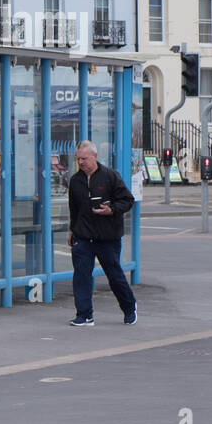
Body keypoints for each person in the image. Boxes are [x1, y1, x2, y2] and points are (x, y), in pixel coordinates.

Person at [67, 140, 137, 327]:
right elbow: (73, 208)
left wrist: (111, 209)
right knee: (81, 275)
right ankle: (84, 314)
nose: (81, 162)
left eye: (84, 158)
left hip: (107, 236)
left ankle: (129, 307)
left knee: (114, 275)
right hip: (83, 236)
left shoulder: (110, 176)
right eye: (78, 159)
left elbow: (127, 200)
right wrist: (72, 231)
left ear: (95, 157)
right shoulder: (75, 180)